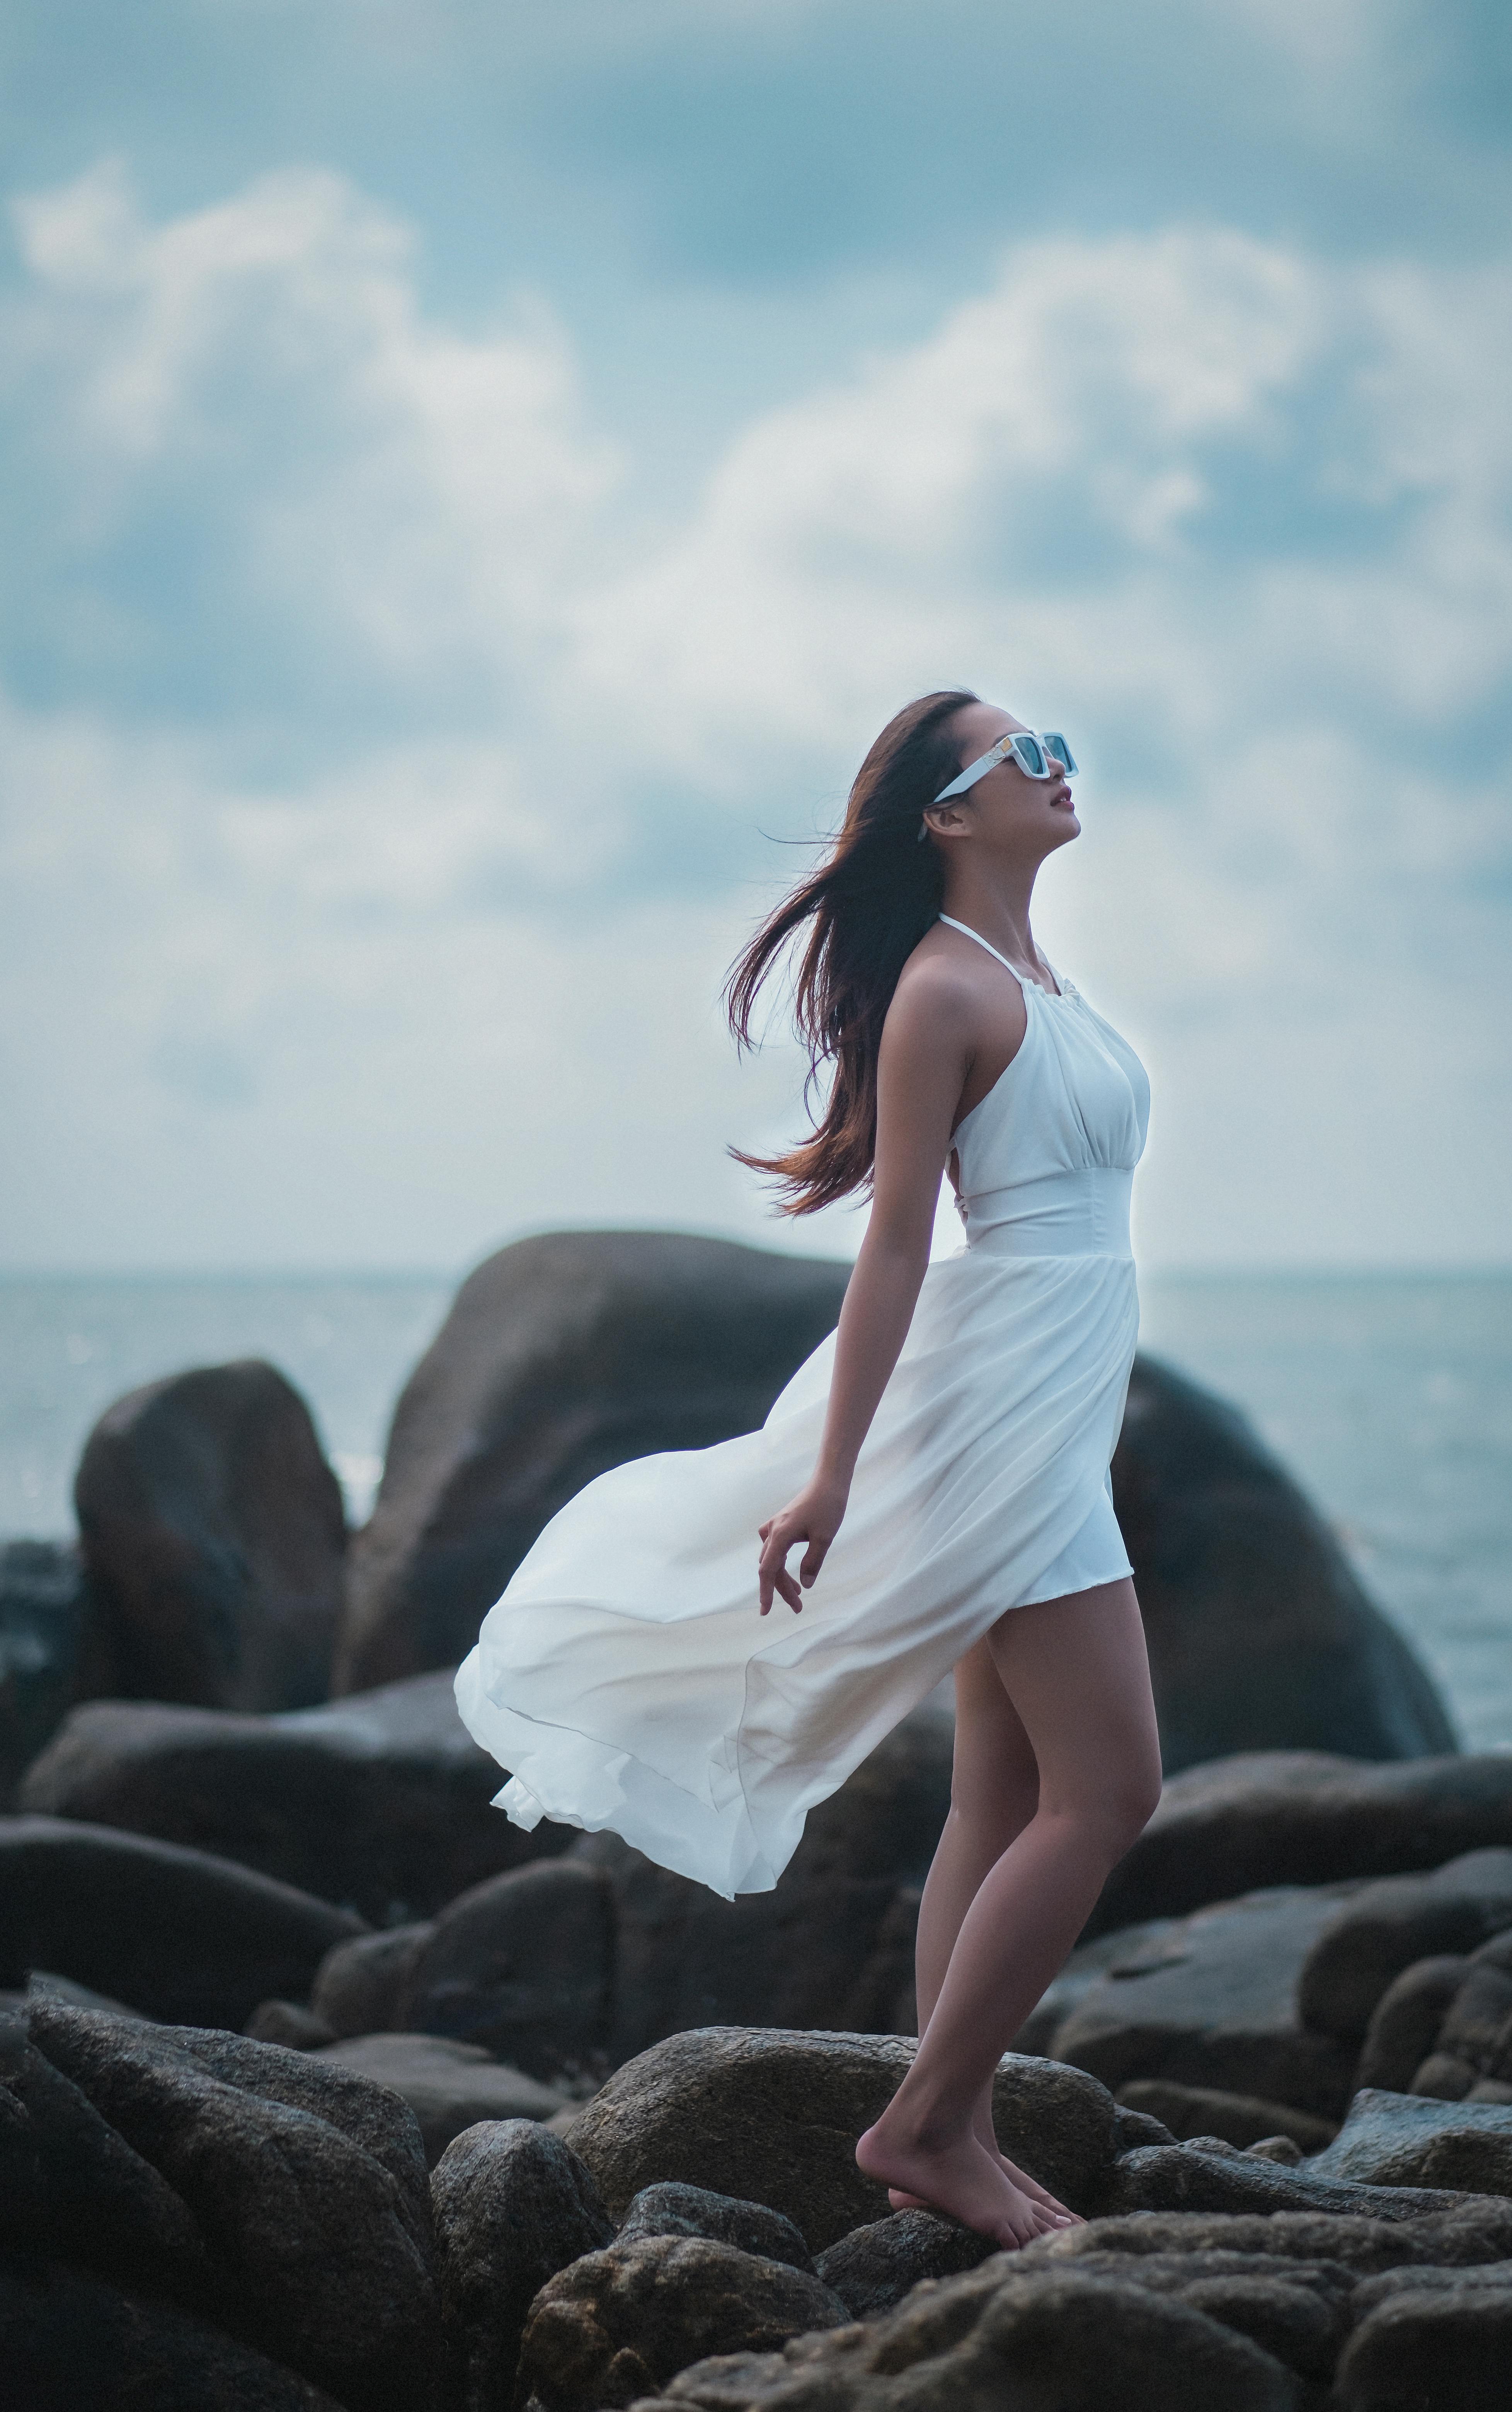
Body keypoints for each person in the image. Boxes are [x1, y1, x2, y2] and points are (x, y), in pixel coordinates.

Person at [456, 690, 1162, 2247]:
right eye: (1018, 755)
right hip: (992, 1416)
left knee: (1005, 1784)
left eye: (1053, 740)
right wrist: (833, 1476)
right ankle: (923, 2126)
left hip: (1045, 1406)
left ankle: (954, 2115)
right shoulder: (942, 994)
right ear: (947, 816)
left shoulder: (1033, 974)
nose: (1056, 766)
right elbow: (897, 1241)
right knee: (1110, 1789)